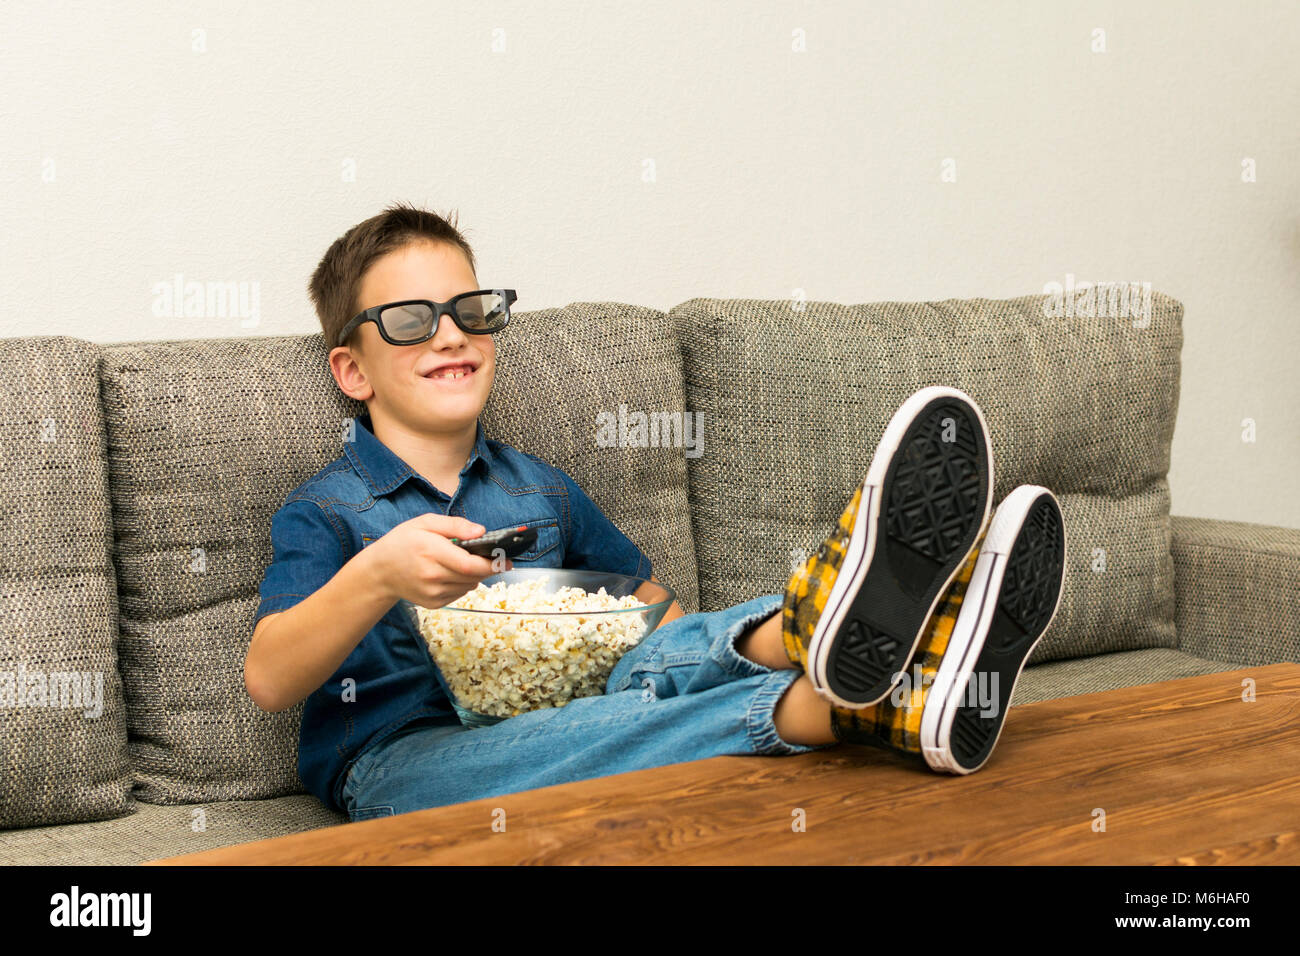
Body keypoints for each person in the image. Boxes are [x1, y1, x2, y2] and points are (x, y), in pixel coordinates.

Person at [244, 202, 1067, 821]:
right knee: (603, 738)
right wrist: (381, 572)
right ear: (353, 371)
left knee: (644, 675)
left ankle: (819, 622)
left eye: (470, 310)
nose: (451, 334)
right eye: (412, 320)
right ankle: (885, 691)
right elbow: (272, 678)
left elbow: (656, 622)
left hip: (579, 699)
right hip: (403, 761)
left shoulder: (540, 489)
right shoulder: (329, 509)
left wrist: (684, 645)